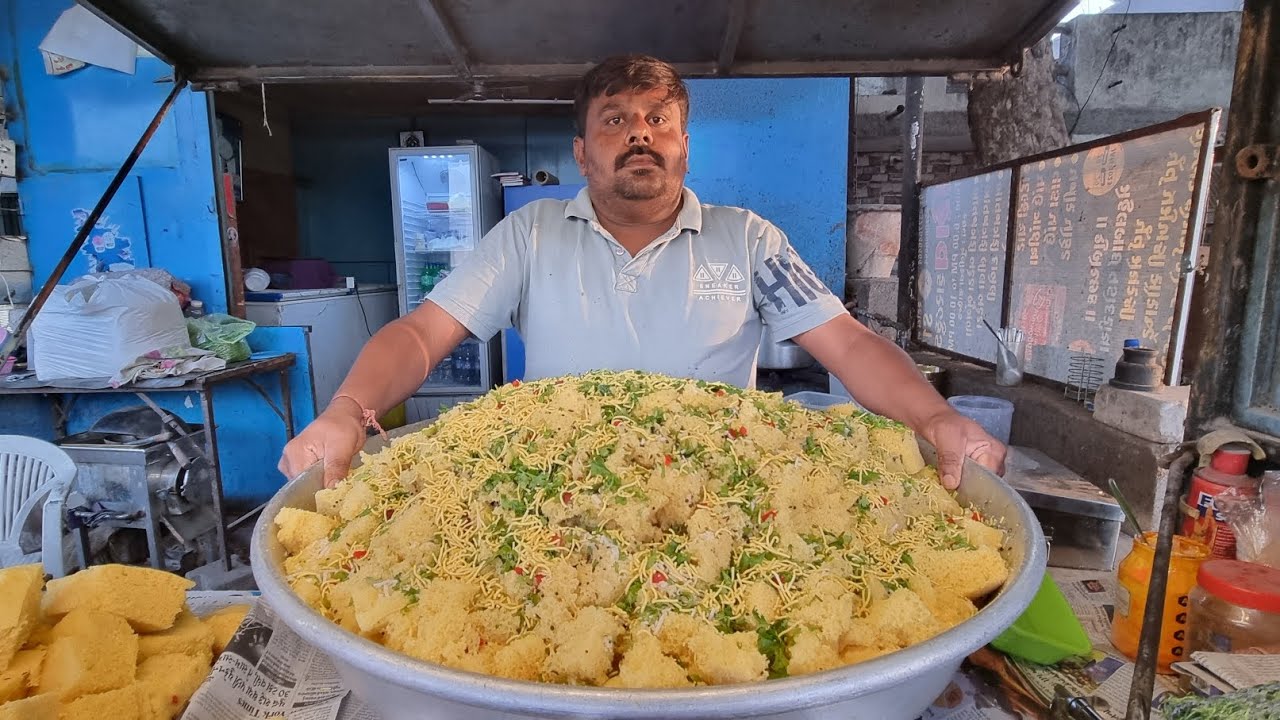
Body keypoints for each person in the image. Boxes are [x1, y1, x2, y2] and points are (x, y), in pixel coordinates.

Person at [279, 55, 1006, 490]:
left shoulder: (748, 239)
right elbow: (419, 335)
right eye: (615, 120)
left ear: (685, 145)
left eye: (659, 120)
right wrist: (346, 411)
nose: (639, 134)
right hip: (557, 492)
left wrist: (938, 418)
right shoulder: (528, 235)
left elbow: (846, 345)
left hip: (721, 493)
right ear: (582, 153)